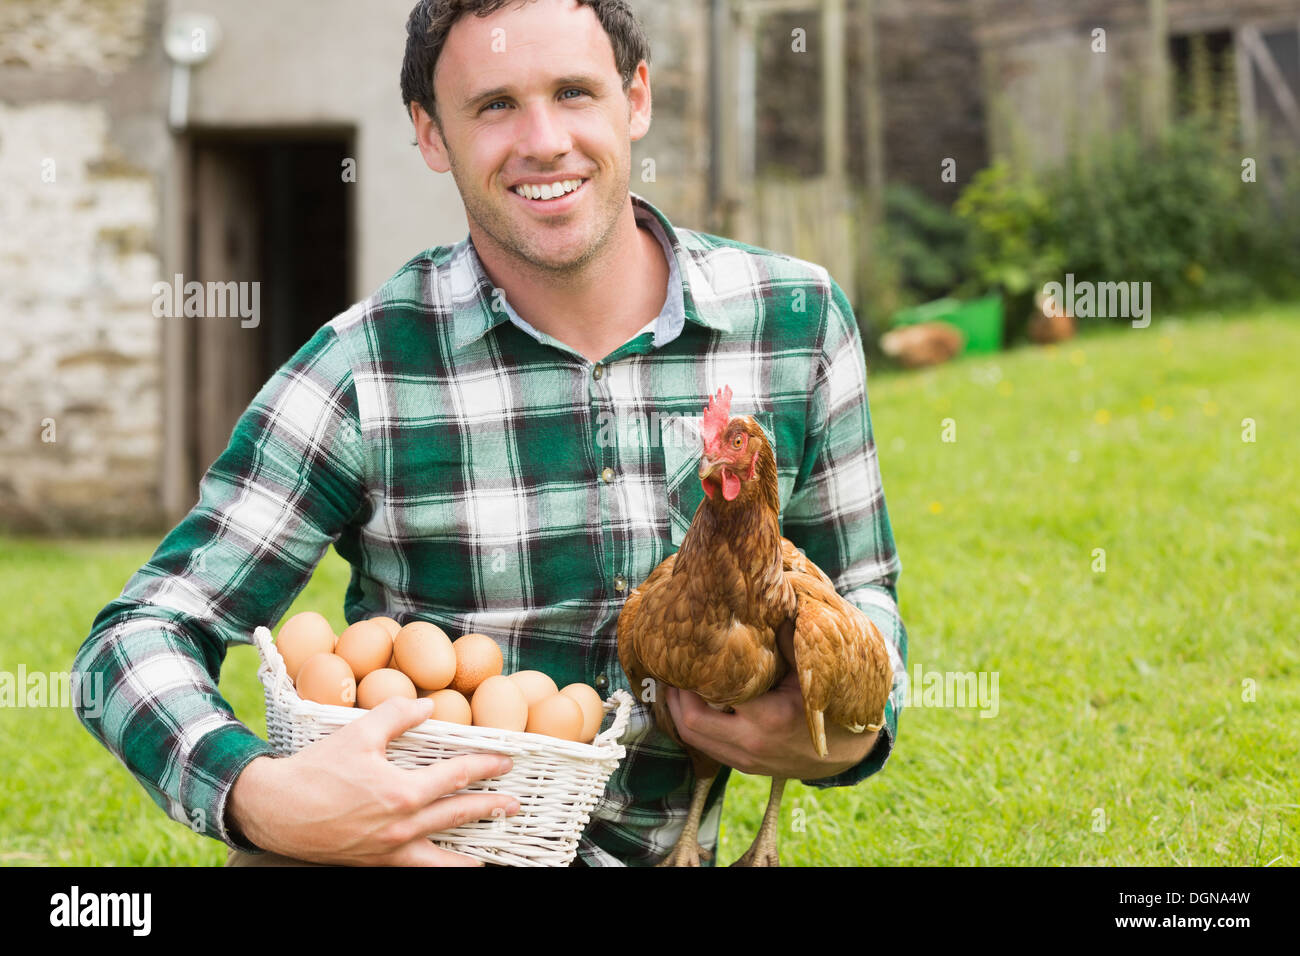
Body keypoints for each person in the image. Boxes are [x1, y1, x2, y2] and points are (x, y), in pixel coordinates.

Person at [73, 0, 909, 867]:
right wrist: (260, 797)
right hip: (429, 851)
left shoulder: (795, 321)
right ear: (431, 135)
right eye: (495, 105)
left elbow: (863, 588)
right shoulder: (366, 369)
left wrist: (850, 728)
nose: (543, 141)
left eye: (574, 92)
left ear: (636, 99)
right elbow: (136, 636)